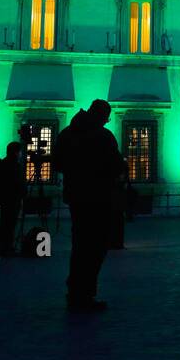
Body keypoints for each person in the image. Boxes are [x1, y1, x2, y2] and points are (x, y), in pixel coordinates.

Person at [55, 100, 124, 311]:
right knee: (95, 248)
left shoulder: (67, 133)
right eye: (106, 118)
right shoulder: (103, 137)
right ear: (101, 115)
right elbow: (116, 165)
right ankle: (84, 294)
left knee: (80, 246)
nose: (106, 121)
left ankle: (75, 293)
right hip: (99, 198)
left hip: (77, 197)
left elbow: (57, 163)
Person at [0, 141, 26, 257]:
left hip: (5, 199)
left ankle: (4, 246)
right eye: (19, 152)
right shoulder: (15, 165)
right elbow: (18, 182)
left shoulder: (3, 163)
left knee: (5, 223)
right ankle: (7, 247)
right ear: (16, 152)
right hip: (13, 199)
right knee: (10, 224)